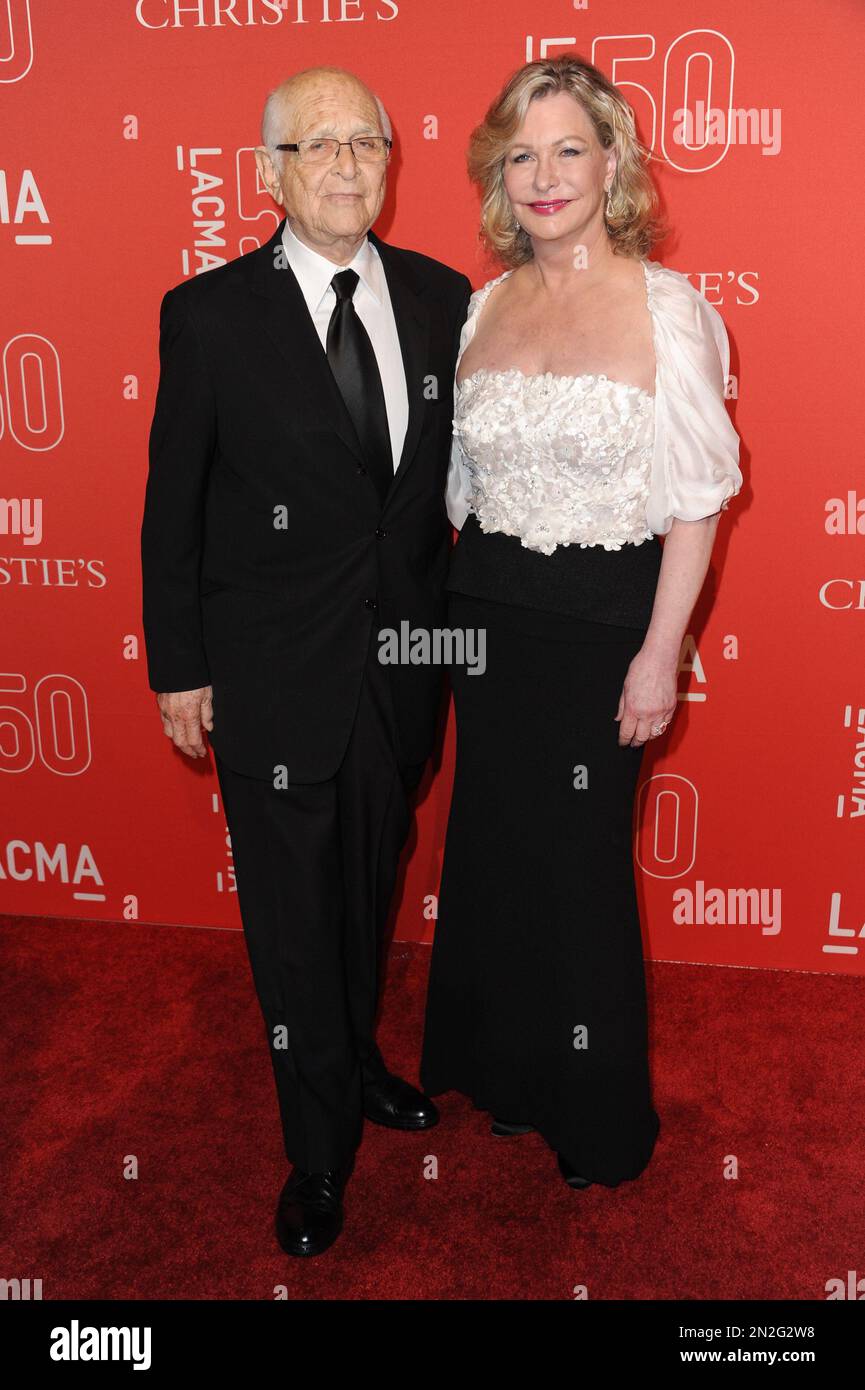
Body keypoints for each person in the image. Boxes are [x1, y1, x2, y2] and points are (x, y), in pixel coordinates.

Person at [140, 65, 472, 1256]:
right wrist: (176, 666)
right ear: (270, 171)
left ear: (392, 162)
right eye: (317, 145)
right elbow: (170, 507)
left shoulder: (442, 298)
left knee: (365, 894)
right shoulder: (211, 314)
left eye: (366, 143)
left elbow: (448, 506)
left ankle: (358, 1058)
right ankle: (316, 1149)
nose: (345, 164)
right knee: (290, 919)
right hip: (270, 675)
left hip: (398, 672)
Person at [419, 54, 743, 1191]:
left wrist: (661, 653)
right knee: (498, 853)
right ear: (497, 178)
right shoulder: (479, 309)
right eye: (521, 155)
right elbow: (451, 489)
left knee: (581, 866)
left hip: (603, 627)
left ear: (612, 163)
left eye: (567, 149)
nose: (544, 176)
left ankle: (594, 1114)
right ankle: (510, 1078)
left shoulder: (668, 306)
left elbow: (697, 501)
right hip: (486, 623)